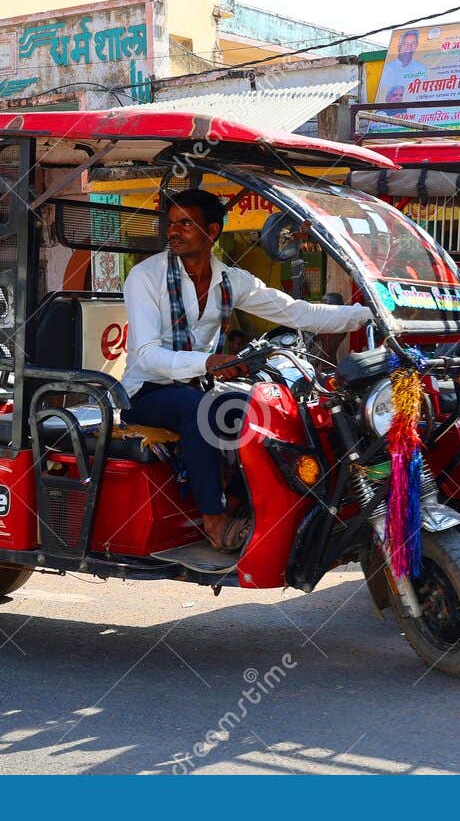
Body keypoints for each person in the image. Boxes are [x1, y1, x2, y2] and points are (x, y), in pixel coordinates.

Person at [122, 190, 372, 554]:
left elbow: (298, 313)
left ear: (212, 231)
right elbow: (147, 356)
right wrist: (208, 362)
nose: (173, 231)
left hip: (196, 387)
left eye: (185, 224)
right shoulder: (145, 277)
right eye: (171, 223)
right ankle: (214, 521)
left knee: (265, 409)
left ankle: (239, 503)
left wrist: (367, 314)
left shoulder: (231, 281)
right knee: (200, 408)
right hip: (145, 392)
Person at [376, 28, 430, 100]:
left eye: (413, 43)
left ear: (416, 46)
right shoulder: (388, 69)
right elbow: (382, 94)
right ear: (399, 47)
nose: (409, 47)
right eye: (406, 43)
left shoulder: (421, 69)